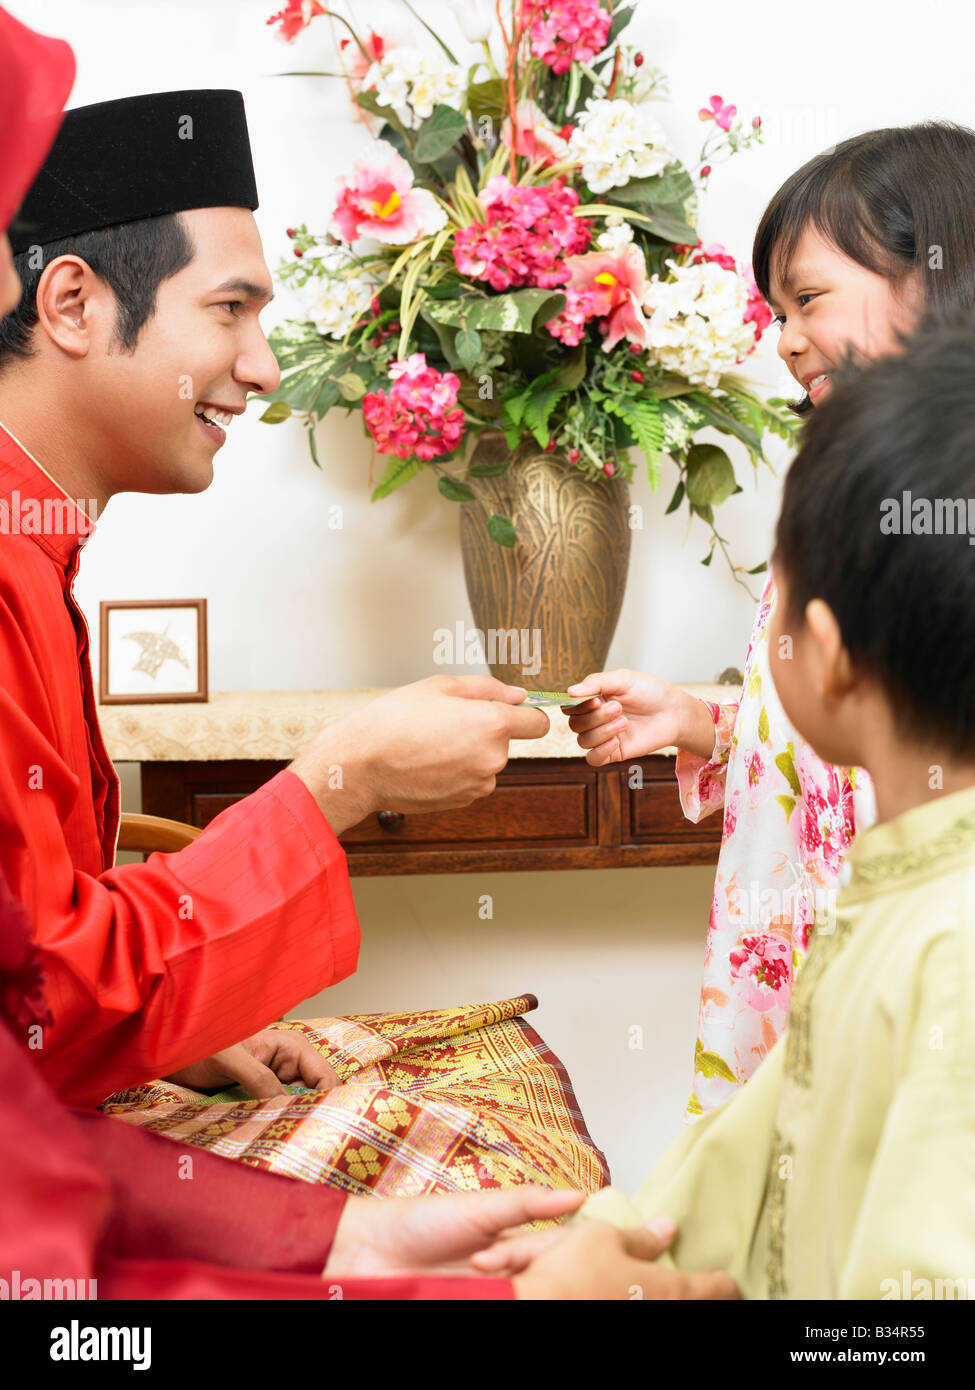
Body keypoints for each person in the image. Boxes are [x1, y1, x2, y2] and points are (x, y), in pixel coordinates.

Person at [0, 5, 743, 1301]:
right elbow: (58, 998)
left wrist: (206, 1044)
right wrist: (337, 780)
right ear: (71, 303)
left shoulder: (36, 543)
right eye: (227, 308)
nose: (257, 363)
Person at [478, 308, 975, 1298]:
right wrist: (600, 1251)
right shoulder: (900, 901)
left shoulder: (949, 945)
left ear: (824, 659)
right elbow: (731, 1166)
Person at [566, 122, 975, 1116]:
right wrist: (701, 722)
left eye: (808, 299)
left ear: (933, 277)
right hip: (798, 943)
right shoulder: (836, 475)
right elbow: (834, 717)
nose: (785, 338)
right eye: (775, 310)